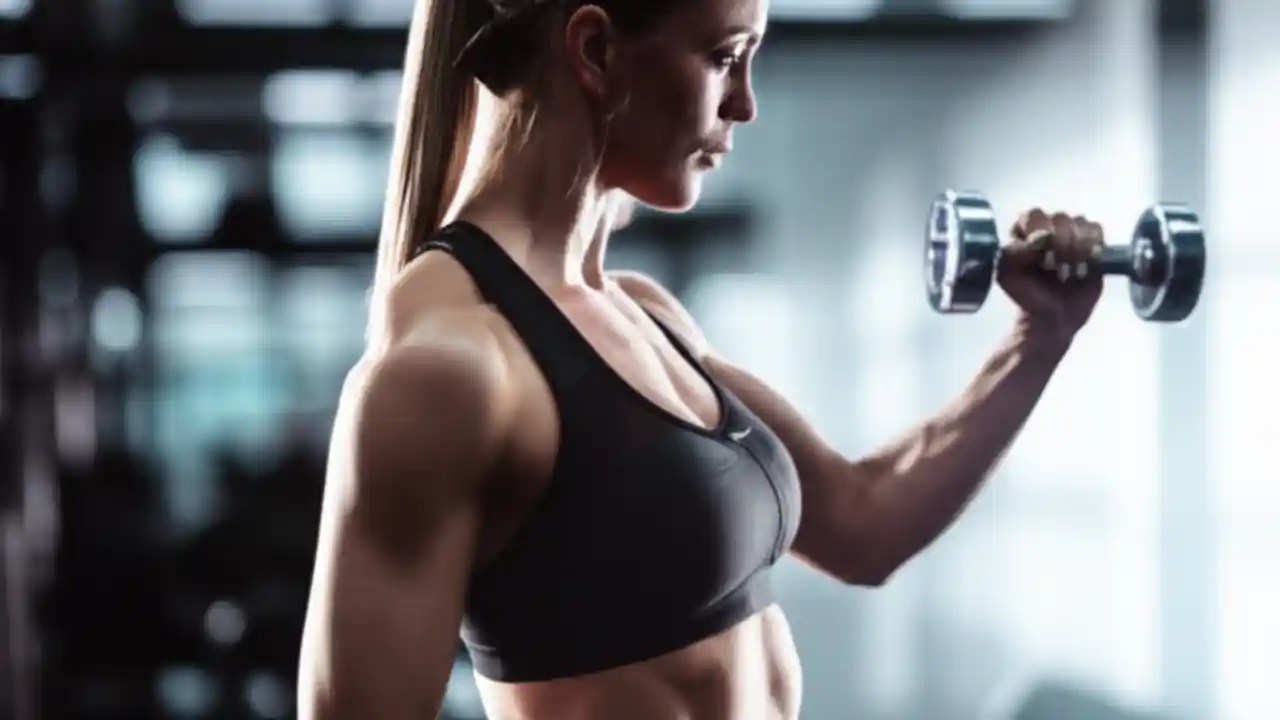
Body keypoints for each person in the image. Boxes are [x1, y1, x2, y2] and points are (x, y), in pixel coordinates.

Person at [296, 0, 1106, 718]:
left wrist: (1041, 337)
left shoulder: (648, 316)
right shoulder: (451, 368)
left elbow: (865, 524)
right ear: (596, 51)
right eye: (724, 57)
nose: (745, 105)